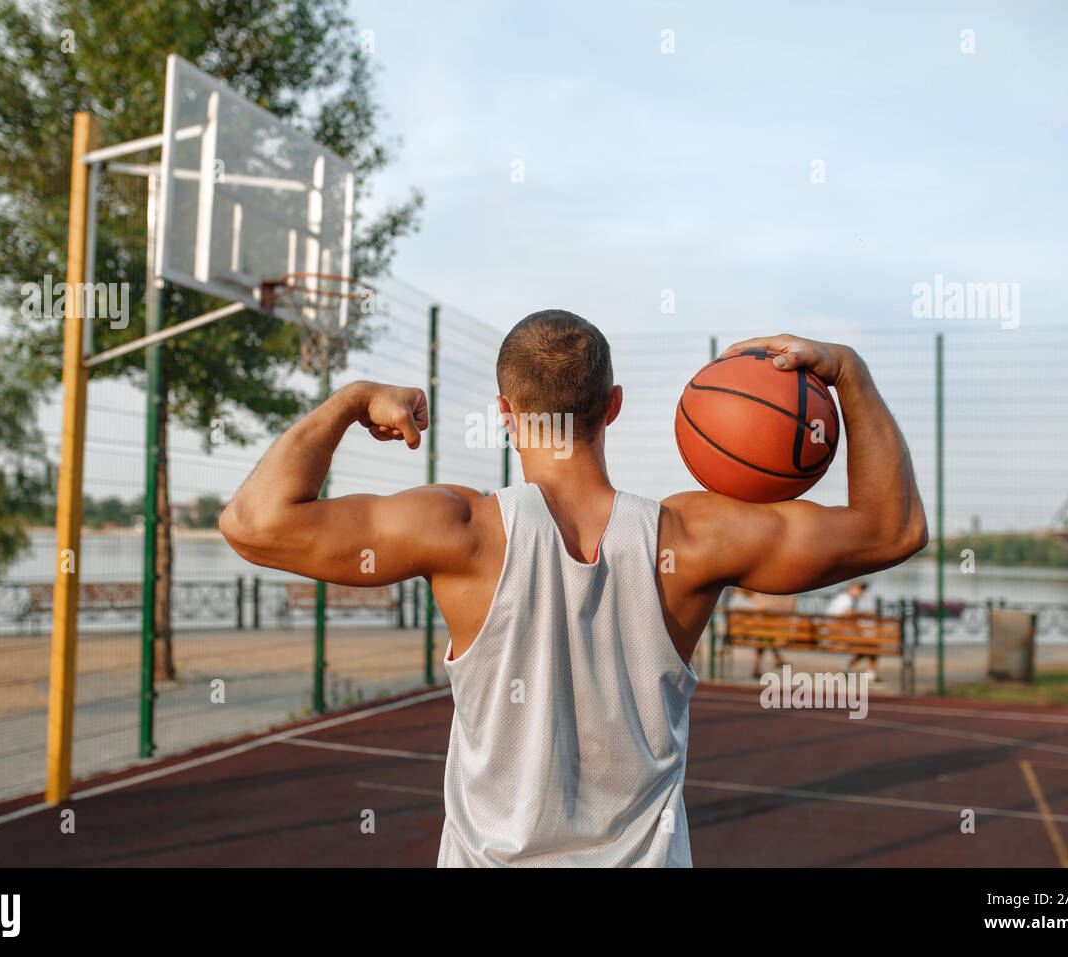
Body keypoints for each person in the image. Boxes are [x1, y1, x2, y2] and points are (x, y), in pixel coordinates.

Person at [219, 315, 926, 867]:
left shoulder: (459, 528)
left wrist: (347, 402)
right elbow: (892, 529)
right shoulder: (694, 536)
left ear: (505, 410)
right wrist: (849, 375)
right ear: (612, 406)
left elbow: (253, 522)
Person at [727, 587, 797, 678]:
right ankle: (775, 659)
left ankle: (768, 662)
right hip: (752, 630)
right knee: (766, 633)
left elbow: (757, 610)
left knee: (765, 633)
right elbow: (790, 609)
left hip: (743, 630)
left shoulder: (743, 597)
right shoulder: (747, 600)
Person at [829, 581, 879, 682]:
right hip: (837, 634)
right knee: (872, 645)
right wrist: (865, 614)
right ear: (851, 588)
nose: (862, 592)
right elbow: (847, 614)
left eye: (862, 590)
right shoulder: (845, 599)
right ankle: (869, 672)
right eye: (860, 589)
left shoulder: (847, 599)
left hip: (839, 632)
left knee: (869, 645)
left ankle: (848, 666)